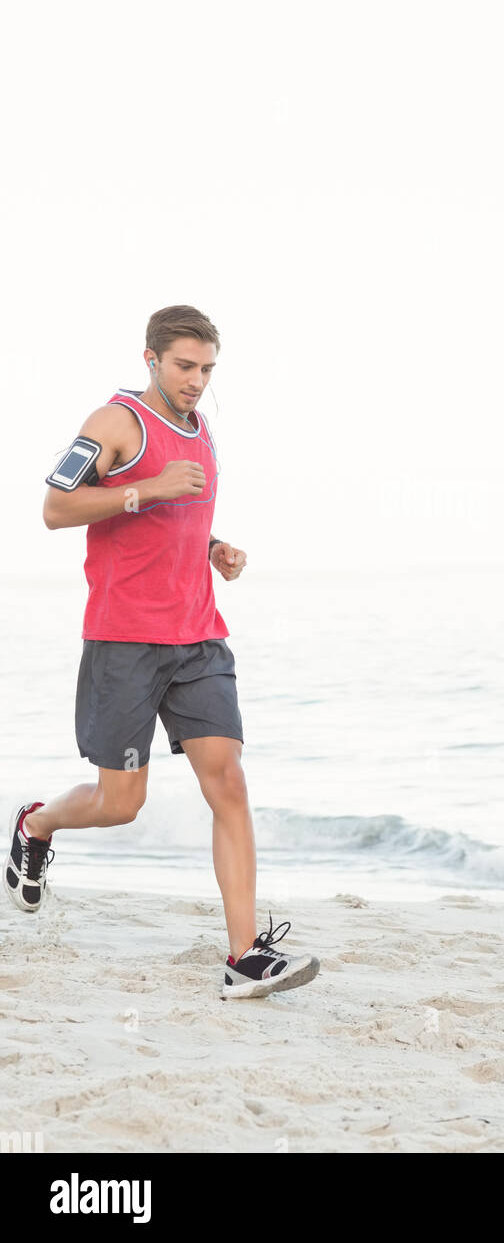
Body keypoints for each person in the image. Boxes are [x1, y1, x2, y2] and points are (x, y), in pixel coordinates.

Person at [4, 305, 319, 1001]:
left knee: (228, 781)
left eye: (207, 369)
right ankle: (37, 824)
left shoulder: (201, 429)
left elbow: (173, 524)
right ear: (150, 358)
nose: (196, 381)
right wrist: (146, 488)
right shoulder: (116, 422)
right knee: (122, 805)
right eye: (184, 366)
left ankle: (244, 957)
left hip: (198, 636)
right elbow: (56, 508)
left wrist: (214, 550)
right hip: (124, 641)